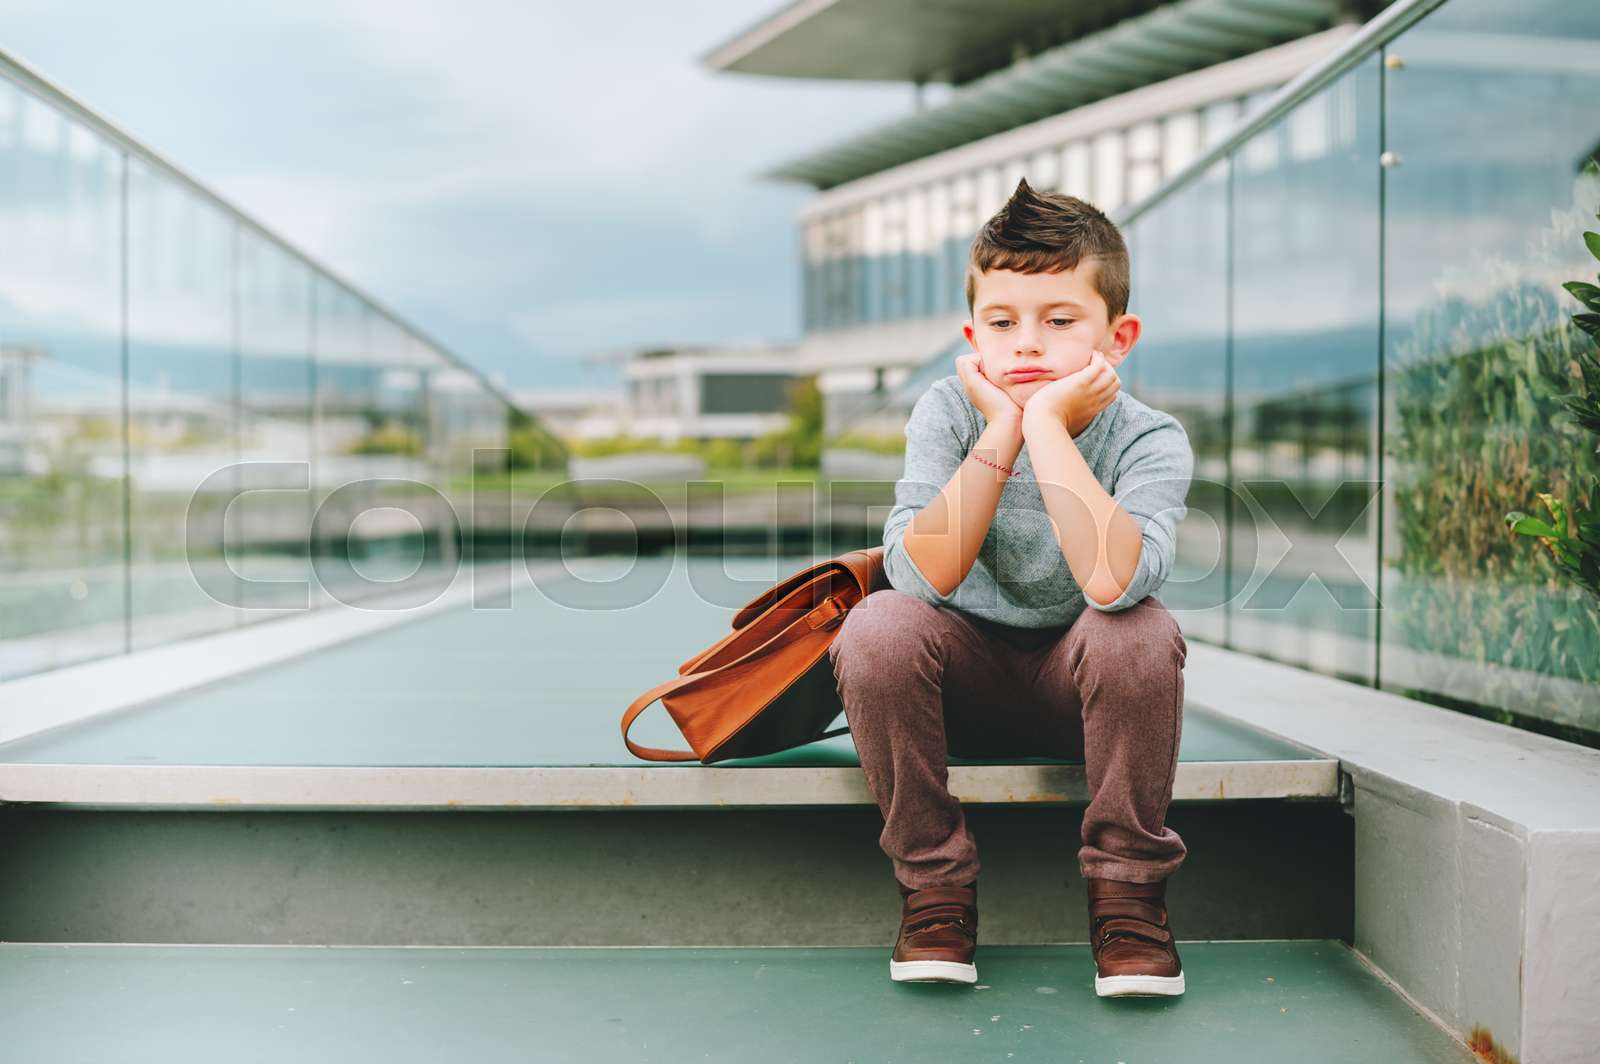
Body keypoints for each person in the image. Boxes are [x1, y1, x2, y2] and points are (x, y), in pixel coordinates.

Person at [828, 177, 1193, 998]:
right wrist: (1001, 427)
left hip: (1082, 697)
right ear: (973, 337)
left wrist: (1047, 428)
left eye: (1059, 322)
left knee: (1137, 626)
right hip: (956, 691)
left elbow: (1112, 579)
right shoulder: (948, 412)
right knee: (877, 625)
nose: (1027, 346)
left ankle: (1129, 897)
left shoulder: (1152, 440)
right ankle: (934, 887)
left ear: (1117, 337)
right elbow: (919, 577)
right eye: (1003, 324)